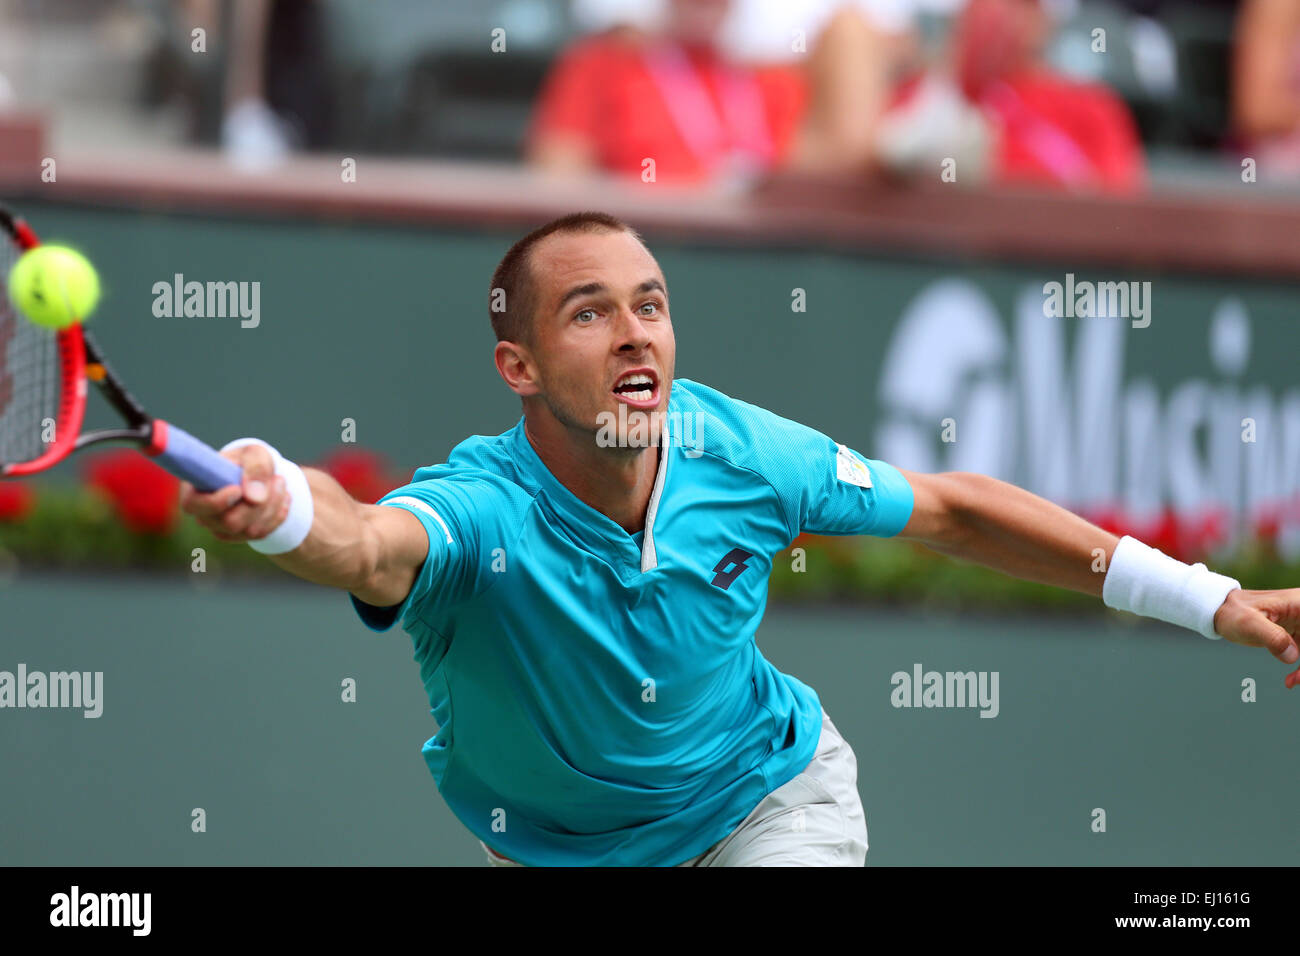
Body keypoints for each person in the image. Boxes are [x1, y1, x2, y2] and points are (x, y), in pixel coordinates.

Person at [180, 212, 1300, 867]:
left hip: (762, 804)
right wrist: (281, 504)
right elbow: (369, 544)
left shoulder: (743, 454)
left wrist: (1200, 595)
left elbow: (953, 509)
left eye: (651, 303)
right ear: (515, 365)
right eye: (588, 311)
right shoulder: (480, 513)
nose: (635, 335)